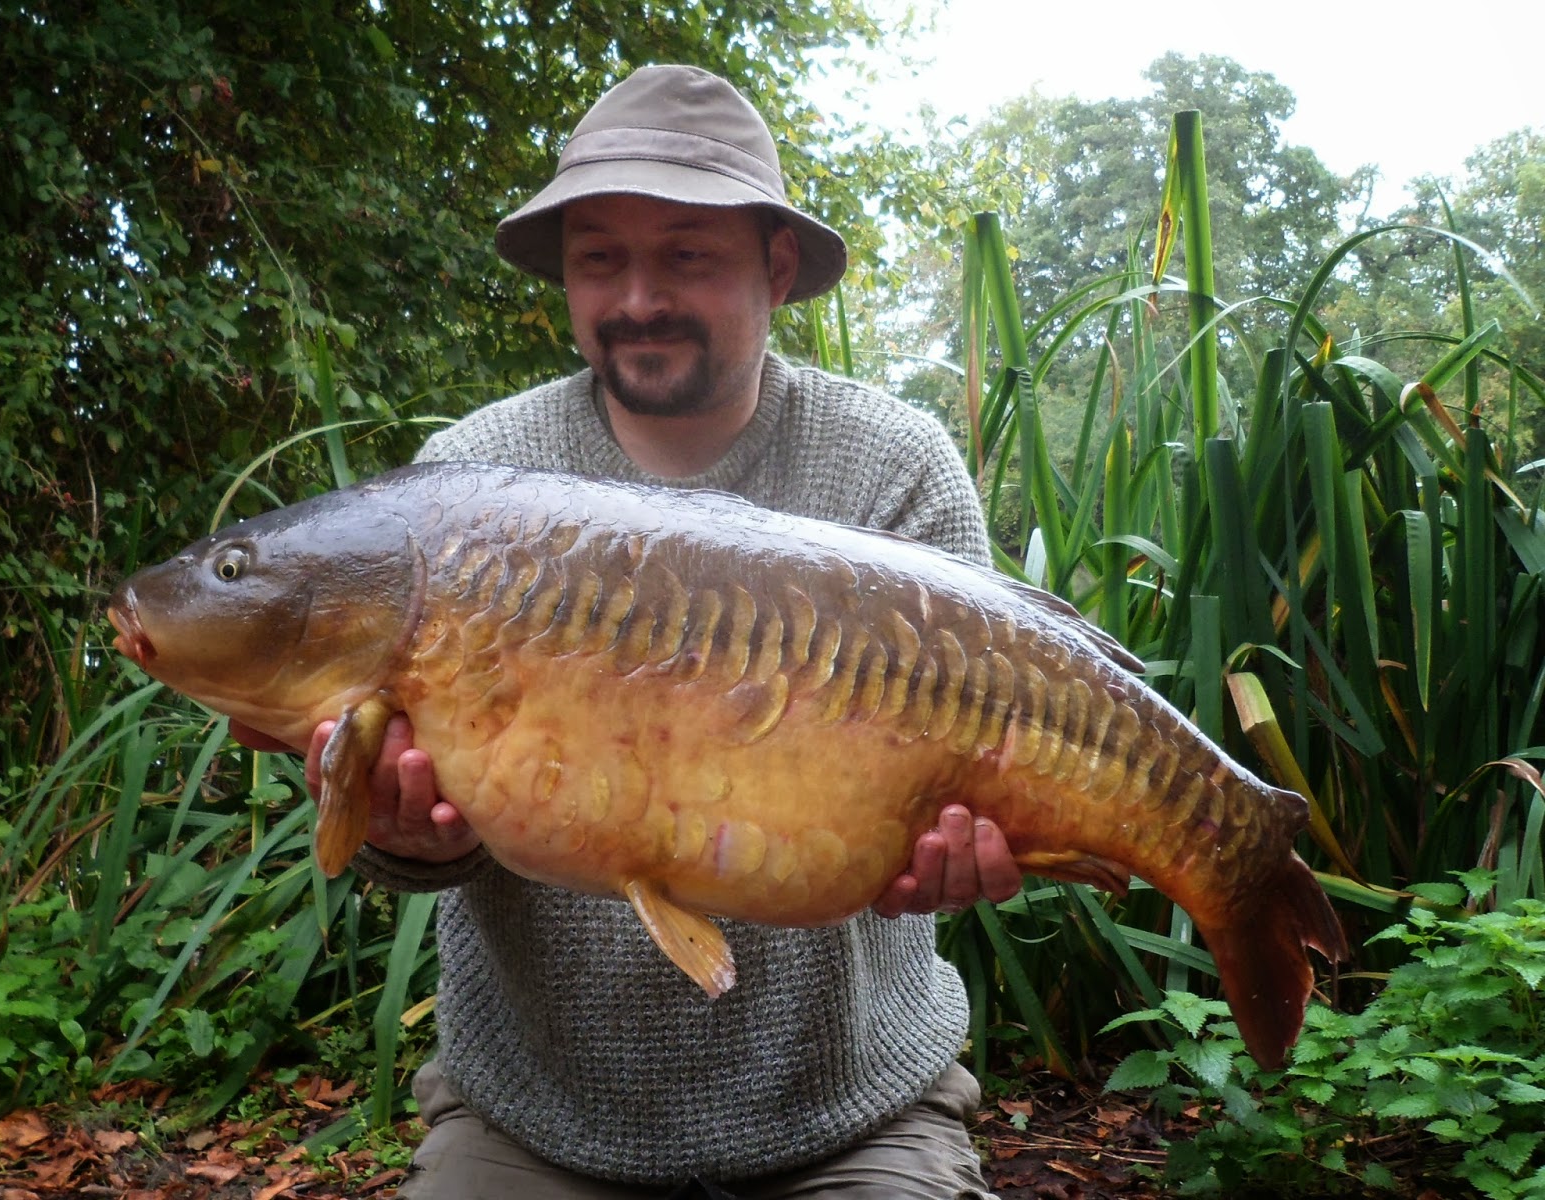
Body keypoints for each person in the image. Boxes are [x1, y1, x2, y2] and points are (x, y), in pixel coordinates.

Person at [237, 64, 1021, 1198]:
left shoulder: (891, 468)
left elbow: (989, 779)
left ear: (777, 266)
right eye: (599, 257)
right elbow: (422, 849)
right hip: (536, 1124)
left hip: (851, 1115)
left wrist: (967, 847)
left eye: (686, 255)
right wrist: (407, 832)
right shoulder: (464, 483)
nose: (637, 296)